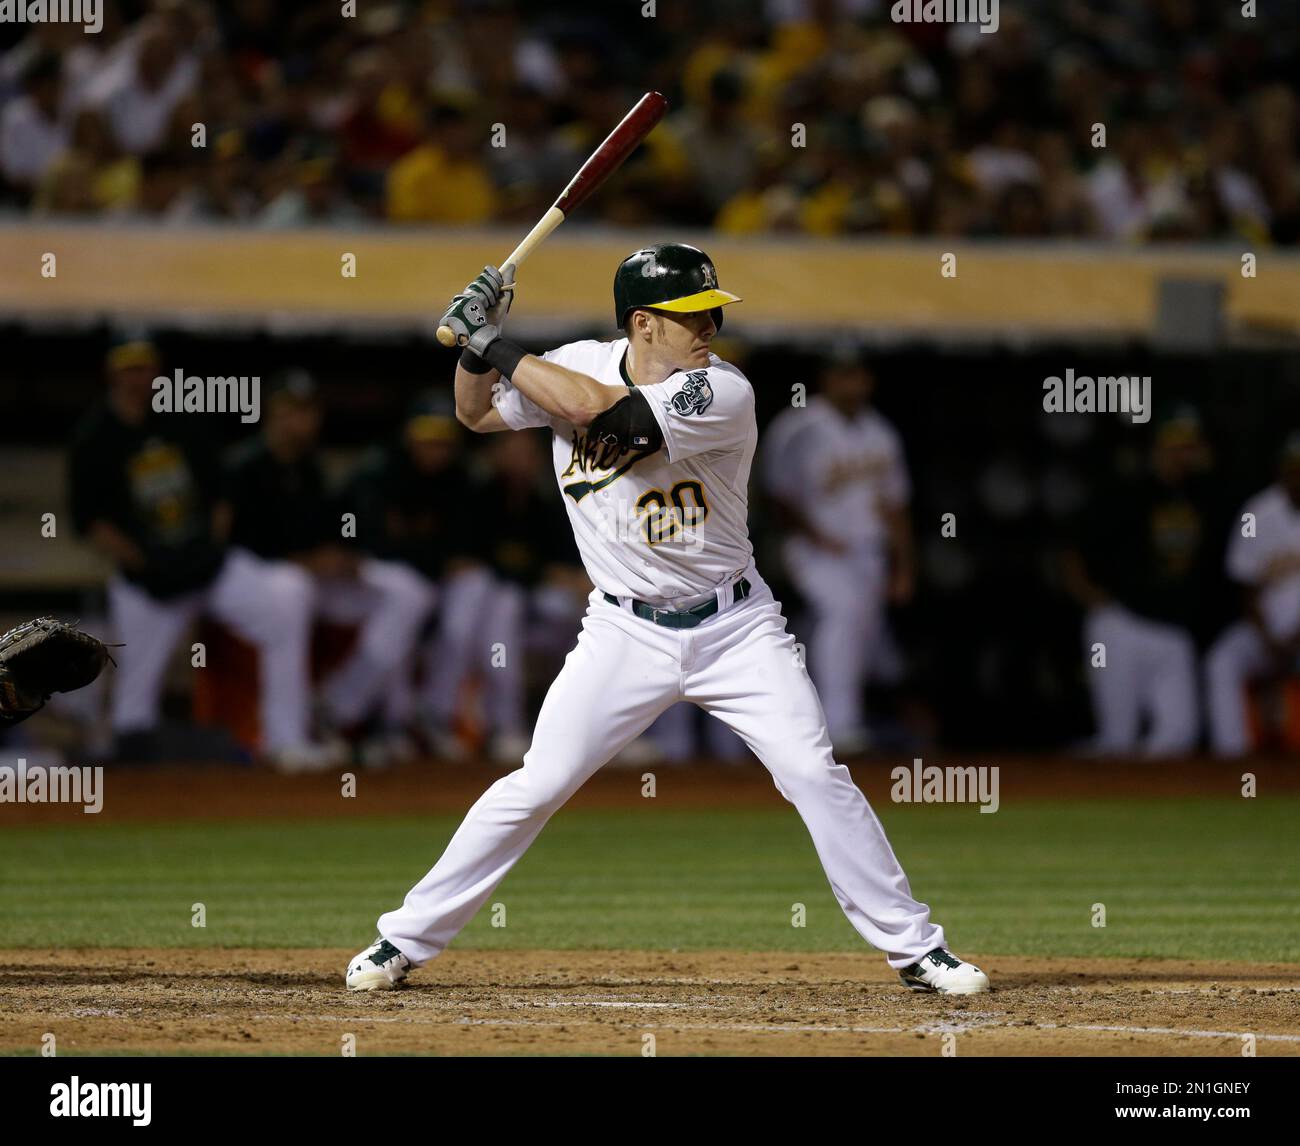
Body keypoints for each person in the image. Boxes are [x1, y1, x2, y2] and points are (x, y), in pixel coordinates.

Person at [346, 243, 988, 996]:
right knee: (538, 781)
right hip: (623, 629)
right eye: (691, 315)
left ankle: (916, 948)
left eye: (712, 310)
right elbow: (474, 411)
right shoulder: (574, 358)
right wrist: (477, 347)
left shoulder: (721, 390)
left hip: (735, 627)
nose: (710, 324)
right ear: (642, 323)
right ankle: (403, 939)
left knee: (815, 772)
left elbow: (602, 413)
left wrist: (487, 338)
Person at [67, 341, 332, 771]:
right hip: (146, 580)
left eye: (145, 368)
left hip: (208, 566)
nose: (138, 379)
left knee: (289, 594)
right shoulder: (94, 437)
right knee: (133, 711)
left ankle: (285, 739)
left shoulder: (182, 422)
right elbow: (91, 522)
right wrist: (144, 564)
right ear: (113, 374)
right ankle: (135, 780)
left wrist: (207, 549)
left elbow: (220, 495)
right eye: (129, 370)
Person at [215, 371, 435, 764]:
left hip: (312, 578)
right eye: (290, 410)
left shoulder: (310, 467)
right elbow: (235, 543)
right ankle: (283, 738)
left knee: (408, 591)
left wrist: (343, 556)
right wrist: (308, 561)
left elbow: (325, 529)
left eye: (307, 412)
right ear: (271, 413)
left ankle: (336, 705)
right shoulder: (244, 466)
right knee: (291, 587)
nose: (299, 421)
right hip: (260, 579)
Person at [761, 350, 916, 755]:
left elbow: (896, 506)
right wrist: (815, 535)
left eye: (859, 375)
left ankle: (809, 717)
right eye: (844, 375)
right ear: (827, 378)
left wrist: (904, 566)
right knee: (844, 617)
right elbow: (777, 496)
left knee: (855, 636)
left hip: (868, 552)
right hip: (813, 550)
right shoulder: (799, 426)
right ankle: (839, 725)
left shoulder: (880, 431)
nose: (853, 384)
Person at [1061, 407, 1225, 757]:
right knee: (1117, 738)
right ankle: (1068, 784)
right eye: (1175, 445)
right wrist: (1091, 598)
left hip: (1173, 631)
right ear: (1157, 447)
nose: (1183, 454)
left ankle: (1141, 803)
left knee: (1180, 735)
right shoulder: (1127, 491)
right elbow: (1074, 550)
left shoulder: (1207, 495)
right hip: (1121, 624)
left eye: (1190, 446)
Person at [1205, 433, 1300, 756]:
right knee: (1222, 660)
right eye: (1293, 468)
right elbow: (1245, 586)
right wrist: (1268, 639)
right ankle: (1233, 758)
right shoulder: (1257, 512)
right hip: (1267, 631)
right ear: (1282, 470)